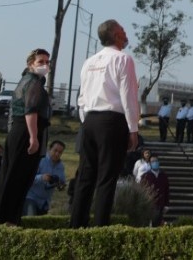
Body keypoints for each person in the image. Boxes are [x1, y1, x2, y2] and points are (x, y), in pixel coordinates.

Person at [69, 19, 140, 228]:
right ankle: (101, 227)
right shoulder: (123, 59)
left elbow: (81, 98)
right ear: (116, 35)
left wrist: (87, 121)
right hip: (112, 120)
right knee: (107, 178)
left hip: (90, 119)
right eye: (123, 30)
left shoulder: (89, 62)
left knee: (86, 176)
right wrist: (133, 128)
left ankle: (76, 225)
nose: (126, 34)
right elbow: (128, 96)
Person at [0, 48, 53, 225]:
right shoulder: (33, 83)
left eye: (47, 62)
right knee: (18, 179)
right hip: (26, 132)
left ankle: (4, 218)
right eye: (41, 62)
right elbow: (30, 111)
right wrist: (34, 137)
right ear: (30, 64)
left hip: (18, 132)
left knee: (11, 177)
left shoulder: (25, 81)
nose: (45, 65)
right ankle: (8, 219)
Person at [23, 140, 66, 216]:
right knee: (31, 221)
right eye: (55, 150)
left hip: (45, 203)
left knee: (40, 225)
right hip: (30, 198)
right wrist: (41, 177)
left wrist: (61, 185)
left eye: (60, 152)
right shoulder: (40, 160)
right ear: (49, 149)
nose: (57, 154)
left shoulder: (61, 166)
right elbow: (27, 178)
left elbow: (62, 181)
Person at [140, 154, 170, 227]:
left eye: (156, 161)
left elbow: (167, 190)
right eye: (153, 161)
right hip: (149, 204)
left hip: (160, 204)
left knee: (158, 223)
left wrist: (166, 204)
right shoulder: (145, 176)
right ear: (150, 163)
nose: (155, 163)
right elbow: (141, 191)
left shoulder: (163, 176)